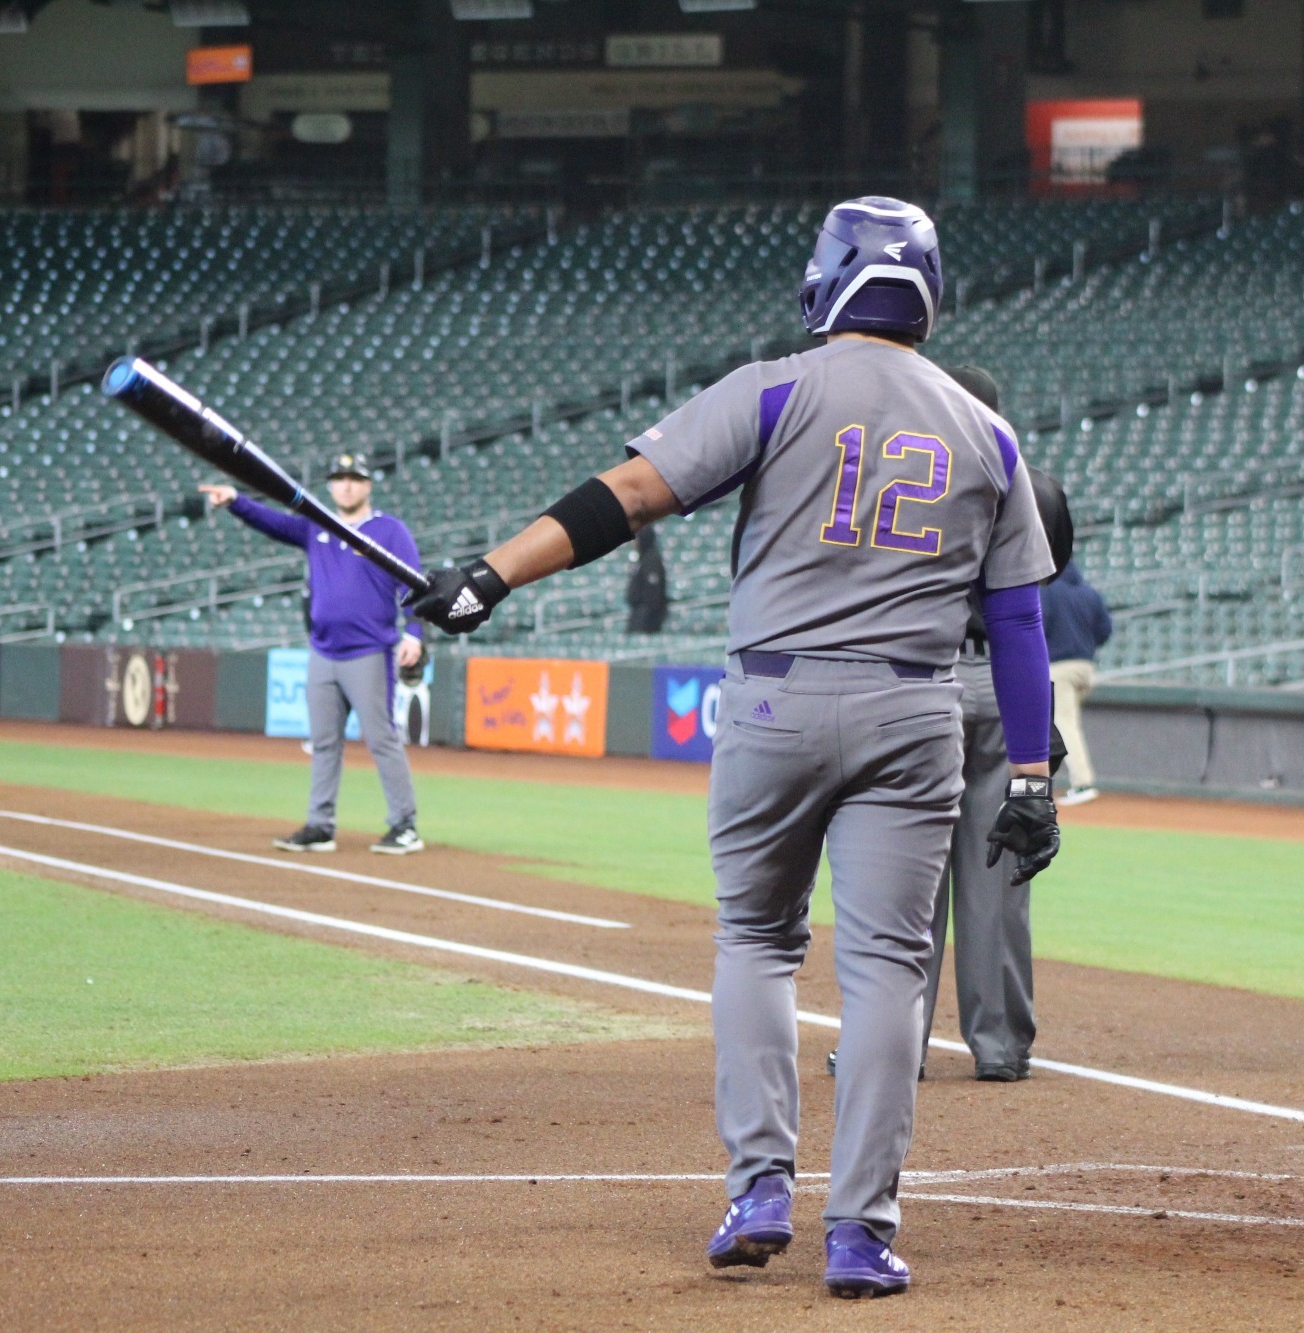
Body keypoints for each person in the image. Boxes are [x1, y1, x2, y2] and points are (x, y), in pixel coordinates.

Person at [408, 197, 1061, 1298]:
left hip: (774, 703)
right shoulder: (984, 430)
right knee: (889, 970)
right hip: (914, 714)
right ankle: (860, 1233)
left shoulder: (773, 388)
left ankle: (759, 1188)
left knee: (757, 941)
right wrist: (1032, 775)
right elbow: (1017, 620)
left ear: (828, 277)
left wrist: (490, 574)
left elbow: (629, 496)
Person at [920, 363, 1074, 1084]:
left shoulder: (918, 476)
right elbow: (1045, 582)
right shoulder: (1041, 489)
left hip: (930, 672)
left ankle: (895, 1044)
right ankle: (1002, 1046)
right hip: (1010, 678)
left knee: (908, 872)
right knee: (1003, 867)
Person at [200, 454, 426, 855]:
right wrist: (236, 501)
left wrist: (415, 632)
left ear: (368, 485)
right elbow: (274, 523)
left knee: (381, 739)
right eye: (339, 478)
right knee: (324, 744)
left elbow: (414, 584)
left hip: (369, 651)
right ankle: (320, 826)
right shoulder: (317, 525)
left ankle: (404, 826)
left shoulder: (389, 530)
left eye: (354, 478)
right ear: (331, 485)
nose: (346, 485)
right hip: (322, 653)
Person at [1041, 560, 1111, 804]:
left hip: (1059, 667)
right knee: (1068, 724)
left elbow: (1039, 625)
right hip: (1086, 667)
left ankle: (1082, 783)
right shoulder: (1090, 593)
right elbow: (1105, 630)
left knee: (1064, 724)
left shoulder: (1049, 591)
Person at [626, 526, 668, 633]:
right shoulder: (643, 558)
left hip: (646, 618)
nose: (634, 542)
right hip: (639, 613)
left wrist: (645, 616)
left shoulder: (651, 560)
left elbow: (653, 596)